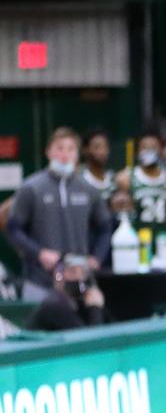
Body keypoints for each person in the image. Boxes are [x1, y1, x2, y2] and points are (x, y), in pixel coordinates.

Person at [9, 128, 114, 301]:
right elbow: (14, 228)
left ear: (77, 154)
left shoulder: (88, 189)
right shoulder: (31, 187)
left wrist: (96, 258)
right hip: (40, 281)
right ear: (48, 152)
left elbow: (105, 227)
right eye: (59, 148)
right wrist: (39, 253)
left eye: (70, 149)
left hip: (79, 280)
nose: (64, 154)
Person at [116, 130, 166, 248]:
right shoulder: (125, 179)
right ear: (137, 152)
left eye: (153, 147)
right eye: (145, 147)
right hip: (137, 243)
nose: (149, 150)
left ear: (160, 150)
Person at [28, 254, 106, 331]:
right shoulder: (55, 305)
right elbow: (88, 340)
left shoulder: (79, 303)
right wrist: (95, 309)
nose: (79, 277)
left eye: (83, 272)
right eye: (73, 272)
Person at [78, 129, 116, 206]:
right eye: (97, 147)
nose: (102, 151)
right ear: (85, 150)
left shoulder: (113, 179)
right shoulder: (79, 178)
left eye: (105, 146)